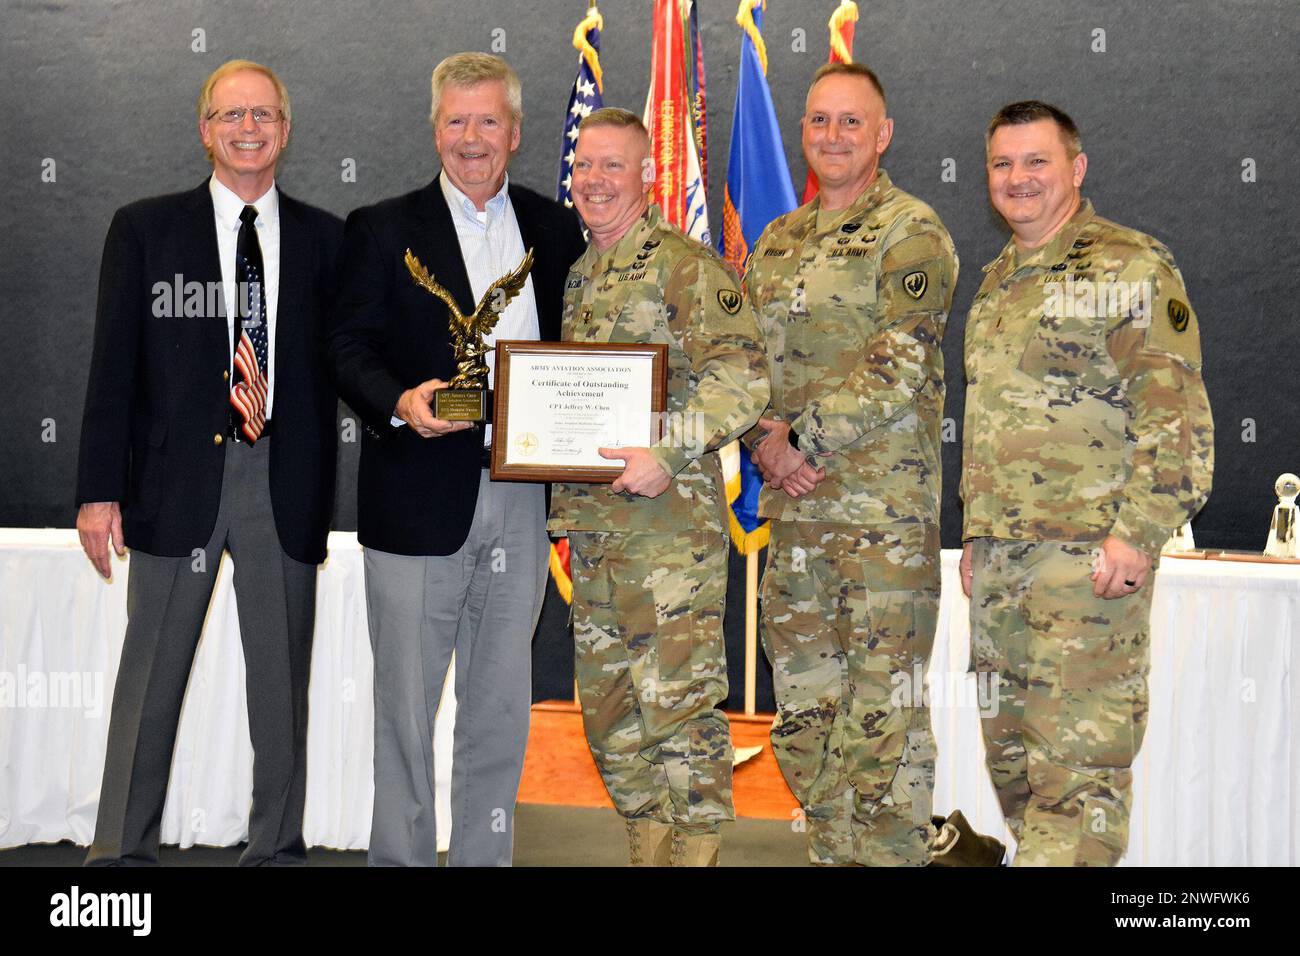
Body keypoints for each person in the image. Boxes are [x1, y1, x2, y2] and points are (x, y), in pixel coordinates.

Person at [75, 59, 343, 865]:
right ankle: (119, 855)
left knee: (280, 691)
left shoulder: (330, 240)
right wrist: (97, 493)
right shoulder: (145, 229)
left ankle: (276, 850)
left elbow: (355, 358)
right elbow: (111, 367)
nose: (249, 128)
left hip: (285, 487)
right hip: (173, 488)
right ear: (205, 130)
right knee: (149, 686)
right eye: (232, 115)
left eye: (264, 114)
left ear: (285, 132)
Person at [327, 52, 584, 867]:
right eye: (455, 121)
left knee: (500, 708)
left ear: (515, 132)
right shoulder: (380, 227)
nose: (471, 138)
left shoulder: (555, 227)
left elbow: (582, 351)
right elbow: (344, 346)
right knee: (404, 712)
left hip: (521, 496)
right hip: (415, 501)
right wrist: (401, 401)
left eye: (488, 121)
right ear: (435, 129)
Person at [959, 100, 1213, 866]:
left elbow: (1178, 419)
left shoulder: (1129, 264)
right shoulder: (1000, 278)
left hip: (1087, 569)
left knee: (1076, 781)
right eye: (1002, 164)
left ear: (1076, 168)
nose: (1018, 179)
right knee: (1017, 776)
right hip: (1003, 567)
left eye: (1036, 161)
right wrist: (977, 533)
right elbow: (998, 422)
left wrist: (1137, 534)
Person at [743, 62, 957, 866]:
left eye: (851, 122)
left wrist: (796, 443)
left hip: (881, 525)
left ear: (884, 134)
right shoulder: (779, 240)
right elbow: (747, 362)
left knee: (883, 720)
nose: (832, 137)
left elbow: (899, 360)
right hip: (796, 520)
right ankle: (836, 855)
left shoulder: (913, 231)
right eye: (819, 121)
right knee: (805, 717)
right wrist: (764, 436)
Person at [549, 108, 769, 866]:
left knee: (678, 706)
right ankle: (649, 845)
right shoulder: (580, 276)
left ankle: (695, 853)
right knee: (610, 713)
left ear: (647, 175)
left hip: (670, 533)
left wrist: (668, 451)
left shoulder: (686, 267)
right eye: (585, 167)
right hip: (597, 529)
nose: (595, 181)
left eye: (614, 166)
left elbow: (744, 377)